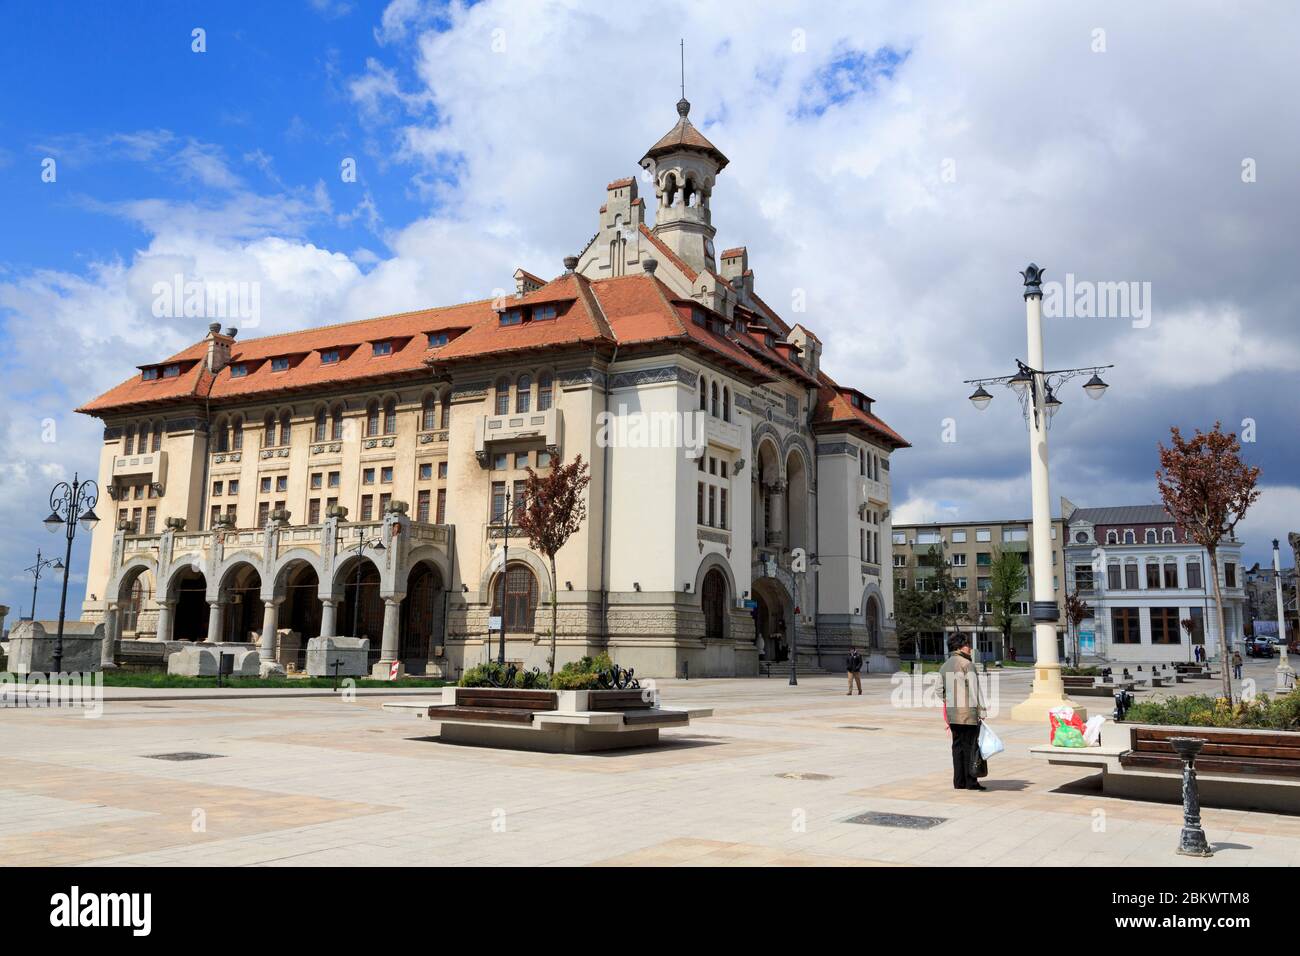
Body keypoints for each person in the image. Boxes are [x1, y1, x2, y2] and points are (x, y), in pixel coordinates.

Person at [938, 633, 986, 791]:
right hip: (967, 713)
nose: (970, 648)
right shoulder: (967, 664)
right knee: (970, 747)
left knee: (957, 747)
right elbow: (974, 689)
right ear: (959, 646)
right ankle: (971, 781)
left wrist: (949, 699)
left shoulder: (945, 665)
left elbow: (939, 690)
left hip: (953, 714)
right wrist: (982, 710)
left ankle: (959, 782)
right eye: (967, 644)